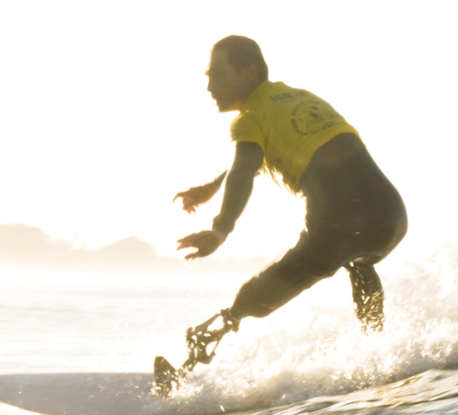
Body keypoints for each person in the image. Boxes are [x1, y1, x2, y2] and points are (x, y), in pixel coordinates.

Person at [174, 35, 408, 335]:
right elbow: (253, 158)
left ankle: (191, 364)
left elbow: (244, 169)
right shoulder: (301, 98)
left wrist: (221, 230)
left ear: (250, 73)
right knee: (359, 260)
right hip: (391, 216)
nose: (210, 87)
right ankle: (382, 348)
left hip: (336, 225)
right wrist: (214, 186)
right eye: (209, 77)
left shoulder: (249, 119)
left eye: (218, 75)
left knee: (249, 299)